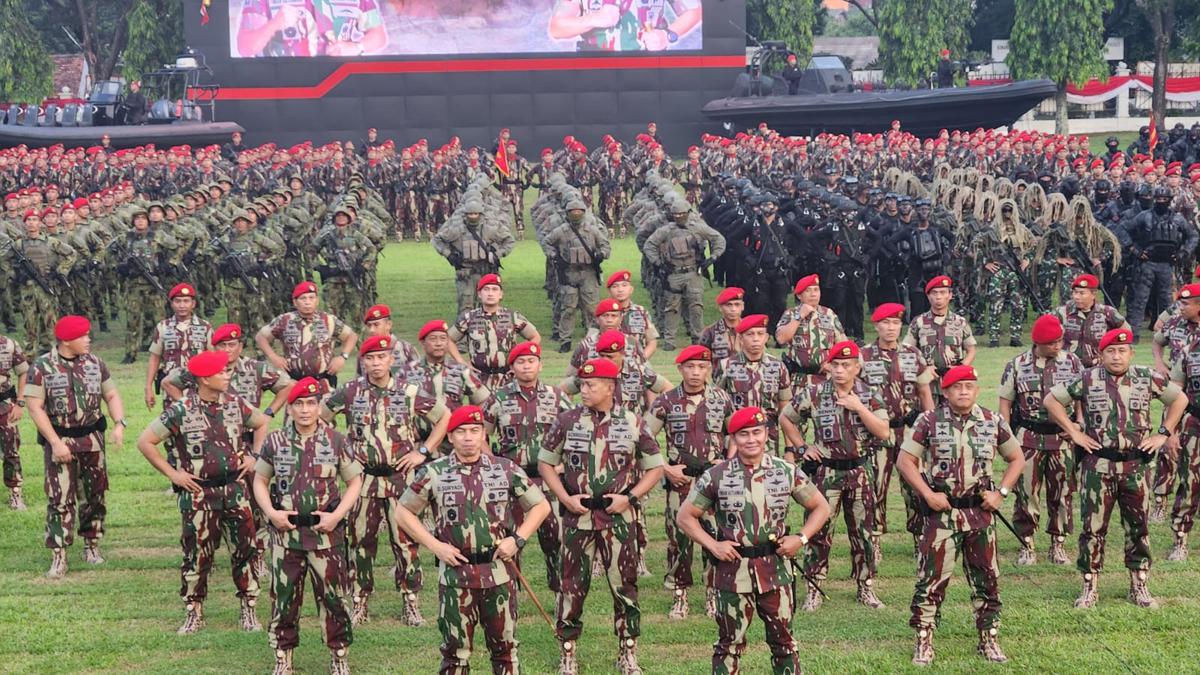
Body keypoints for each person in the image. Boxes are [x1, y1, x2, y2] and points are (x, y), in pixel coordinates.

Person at [675, 406, 831, 674]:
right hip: (732, 573)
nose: (751, 440)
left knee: (784, 643)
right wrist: (713, 545)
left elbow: (821, 507)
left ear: (766, 434)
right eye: (743, 434)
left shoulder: (786, 471)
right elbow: (686, 517)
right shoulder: (716, 475)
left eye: (756, 432)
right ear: (733, 439)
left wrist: (801, 538)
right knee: (729, 645)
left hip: (776, 571)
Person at [396, 404, 551, 674]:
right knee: (455, 654)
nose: (468, 437)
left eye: (474, 431)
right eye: (461, 432)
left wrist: (518, 539)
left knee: (505, 651)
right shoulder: (435, 472)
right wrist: (435, 546)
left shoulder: (505, 469)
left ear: (483, 435)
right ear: (450, 437)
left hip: (498, 574)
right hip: (456, 577)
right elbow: (403, 511)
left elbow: (540, 506)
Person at [1045, 328, 1188, 609]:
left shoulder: (1147, 378)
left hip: (1136, 466)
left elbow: (1179, 399)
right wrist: (1073, 432)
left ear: (1131, 354)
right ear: (1101, 355)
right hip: (1098, 466)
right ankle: (1089, 585)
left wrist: (1163, 432)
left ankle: (1139, 584)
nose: (1116, 356)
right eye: (1110, 351)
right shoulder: (1088, 378)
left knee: (1138, 527)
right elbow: (1052, 400)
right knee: (1092, 528)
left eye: (1122, 351)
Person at [538, 358, 664, 675]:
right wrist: (565, 497)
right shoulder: (566, 421)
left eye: (592, 385)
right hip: (577, 518)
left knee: (625, 587)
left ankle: (628, 652)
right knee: (572, 588)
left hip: (619, 520)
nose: (584, 389)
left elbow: (655, 467)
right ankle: (568, 653)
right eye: (582, 384)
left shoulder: (633, 422)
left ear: (610, 387)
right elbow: (545, 464)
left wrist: (630, 498)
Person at [897, 365, 1025, 666]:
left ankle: (989, 638)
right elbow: (905, 461)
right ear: (945, 391)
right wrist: (927, 494)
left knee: (987, 579)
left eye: (969, 386)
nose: (963, 391)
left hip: (979, 514)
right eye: (957, 387)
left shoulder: (993, 421)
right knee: (930, 581)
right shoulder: (929, 421)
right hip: (942, 515)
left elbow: (1016, 458)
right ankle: (924, 641)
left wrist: (1002, 493)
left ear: (977, 390)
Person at [136, 350, 269, 634]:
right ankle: (194, 610)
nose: (227, 374)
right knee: (197, 554)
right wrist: (173, 474)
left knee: (245, 549)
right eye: (222, 372)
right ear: (205, 379)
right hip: (199, 495)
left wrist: (254, 455)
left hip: (235, 490)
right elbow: (146, 441)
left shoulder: (235, 403)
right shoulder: (181, 409)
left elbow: (261, 423)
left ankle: (248, 608)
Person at [321, 335, 449, 627]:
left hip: (400, 479)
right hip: (363, 481)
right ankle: (360, 601)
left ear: (392, 359)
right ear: (363, 361)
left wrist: (423, 451)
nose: (376, 364)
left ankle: (411, 601)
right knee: (360, 542)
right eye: (370, 358)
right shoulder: (350, 392)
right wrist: (343, 452)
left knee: (404, 541)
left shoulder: (409, 392)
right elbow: (321, 420)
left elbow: (444, 417)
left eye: (381, 358)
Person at [252, 377, 364, 675]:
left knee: (334, 599)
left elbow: (354, 482)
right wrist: (271, 512)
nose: (305, 410)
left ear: (319, 406)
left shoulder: (337, 441)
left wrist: (337, 516)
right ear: (290, 408)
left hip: (325, 536)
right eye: (299, 404)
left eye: (311, 403)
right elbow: (260, 480)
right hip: (286, 537)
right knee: (284, 599)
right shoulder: (275, 441)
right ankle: (283, 658)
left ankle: (339, 655)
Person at [780, 341, 891, 611]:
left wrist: (859, 408)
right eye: (836, 365)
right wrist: (802, 447)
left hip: (860, 471)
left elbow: (884, 432)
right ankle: (814, 586)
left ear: (856, 367)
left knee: (863, 532)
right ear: (828, 366)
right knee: (819, 530)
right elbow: (786, 418)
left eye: (846, 365)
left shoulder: (869, 394)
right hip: (826, 472)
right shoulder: (815, 393)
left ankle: (865, 586)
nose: (840, 370)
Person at [24, 316, 127, 578]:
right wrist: (56, 443)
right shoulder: (43, 367)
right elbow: (35, 408)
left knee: (95, 495)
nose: (88, 340)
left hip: (92, 440)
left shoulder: (95, 364)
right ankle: (59, 555)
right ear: (66, 340)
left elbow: (111, 394)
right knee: (60, 498)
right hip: (60, 440)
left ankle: (91, 545)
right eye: (83, 336)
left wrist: (119, 423)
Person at [644, 344, 735, 619]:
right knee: (679, 539)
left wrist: (727, 463)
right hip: (680, 481)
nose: (696, 372)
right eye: (690, 367)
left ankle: (712, 591)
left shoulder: (721, 399)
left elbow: (734, 435)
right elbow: (644, 439)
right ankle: (680, 594)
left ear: (710, 369)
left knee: (714, 535)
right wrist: (664, 468)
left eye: (702, 367)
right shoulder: (666, 401)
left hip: (712, 481)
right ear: (680, 368)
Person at [481, 341, 573, 594]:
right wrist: (494, 465)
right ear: (512, 368)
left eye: (531, 361)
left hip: (547, 479)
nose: (526, 366)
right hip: (512, 481)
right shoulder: (498, 398)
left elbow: (576, 432)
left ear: (540, 365)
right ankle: (509, 591)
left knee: (554, 536)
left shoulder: (556, 397)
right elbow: (481, 435)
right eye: (521, 362)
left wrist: (563, 463)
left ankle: (559, 590)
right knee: (510, 536)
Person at [997, 315, 1085, 566]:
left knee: (1063, 492)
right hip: (1028, 438)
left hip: (1061, 437)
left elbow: (1081, 397)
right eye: (1052, 343)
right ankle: (1027, 543)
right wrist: (1006, 436)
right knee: (1026, 492)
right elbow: (1006, 402)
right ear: (1037, 343)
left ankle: (1058, 544)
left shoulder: (1072, 362)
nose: (1058, 346)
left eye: (1060, 341)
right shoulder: (1017, 365)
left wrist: (1079, 423)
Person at [859, 303, 935, 556]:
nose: (891, 328)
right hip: (876, 433)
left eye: (895, 323)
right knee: (875, 487)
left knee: (914, 486)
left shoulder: (913, 354)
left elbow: (924, 392)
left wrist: (930, 425)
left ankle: (919, 537)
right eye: (885, 323)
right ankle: (876, 539)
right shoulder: (863, 356)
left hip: (909, 431)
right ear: (876, 326)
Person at [256, 280, 357, 394]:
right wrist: (273, 356)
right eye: (303, 299)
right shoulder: (285, 320)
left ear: (317, 301)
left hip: (323, 380)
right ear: (295, 302)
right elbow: (261, 337)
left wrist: (342, 357)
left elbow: (351, 336)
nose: (307, 302)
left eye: (311, 298)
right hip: (294, 380)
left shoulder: (328, 320)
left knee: (323, 410)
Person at [448, 273, 541, 391]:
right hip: (479, 378)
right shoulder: (469, 318)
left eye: (494, 289)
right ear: (479, 294)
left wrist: (520, 360)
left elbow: (535, 337)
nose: (490, 293)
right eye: (486, 289)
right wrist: (461, 362)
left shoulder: (512, 317)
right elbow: (449, 339)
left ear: (501, 294)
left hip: (508, 378)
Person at [717, 314, 792, 457]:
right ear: (740, 338)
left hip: (768, 440)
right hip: (737, 439)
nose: (756, 338)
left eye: (760, 334)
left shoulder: (778, 367)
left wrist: (789, 448)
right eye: (750, 334)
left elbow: (785, 410)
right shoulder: (726, 366)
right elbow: (717, 405)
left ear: (766, 338)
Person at [902, 275, 975, 401]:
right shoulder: (918, 322)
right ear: (928, 296)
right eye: (934, 293)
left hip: (954, 383)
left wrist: (960, 367)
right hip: (927, 383)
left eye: (943, 292)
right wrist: (923, 368)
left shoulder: (960, 322)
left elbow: (971, 349)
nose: (938, 297)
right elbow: (906, 350)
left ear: (950, 295)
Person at [145, 283, 213, 411]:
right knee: (173, 424)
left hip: (198, 386)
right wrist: (148, 387)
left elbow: (212, 358)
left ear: (193, 304)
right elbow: (155, 358)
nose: (182, 305)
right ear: (171, 304)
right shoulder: (163, 327)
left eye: (186, 301)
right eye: (178, 301)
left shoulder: (205, 327)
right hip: (171, 386)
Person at [775, 274, 846, 389]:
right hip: (798, 381)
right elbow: (781, 338)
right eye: (808, 291)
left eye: (816, 290)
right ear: (799, 296)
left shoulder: (829, 314)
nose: (813, 294)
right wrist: (800, 316)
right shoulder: (791, 314)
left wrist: (833, 365)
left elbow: (842, 345)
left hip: (825, 380)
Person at [1052, 273, 1129, 368]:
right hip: (1068, 367)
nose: (1076, 297)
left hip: (1098, 367)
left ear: (1093, 294)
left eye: (1082, 293)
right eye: (1075, 292)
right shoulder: (1062, 313)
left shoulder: (1107, 313)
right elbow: (1047, 337)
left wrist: (1111, 351)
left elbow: (1125, 333)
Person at [0, 330, 28, 510]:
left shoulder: (8, 345)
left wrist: (20, 403)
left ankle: (15, 494)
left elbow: (24, 372)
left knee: (11, 450)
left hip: (4, 405)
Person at [698, 286, 744, 377]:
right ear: (720, 308)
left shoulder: (750, 330)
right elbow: (701, 362)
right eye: (729, 305)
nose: (733, 309)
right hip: (720, 383)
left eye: (737, 304)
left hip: (747, 382)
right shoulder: (710, 332)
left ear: (742, 306)